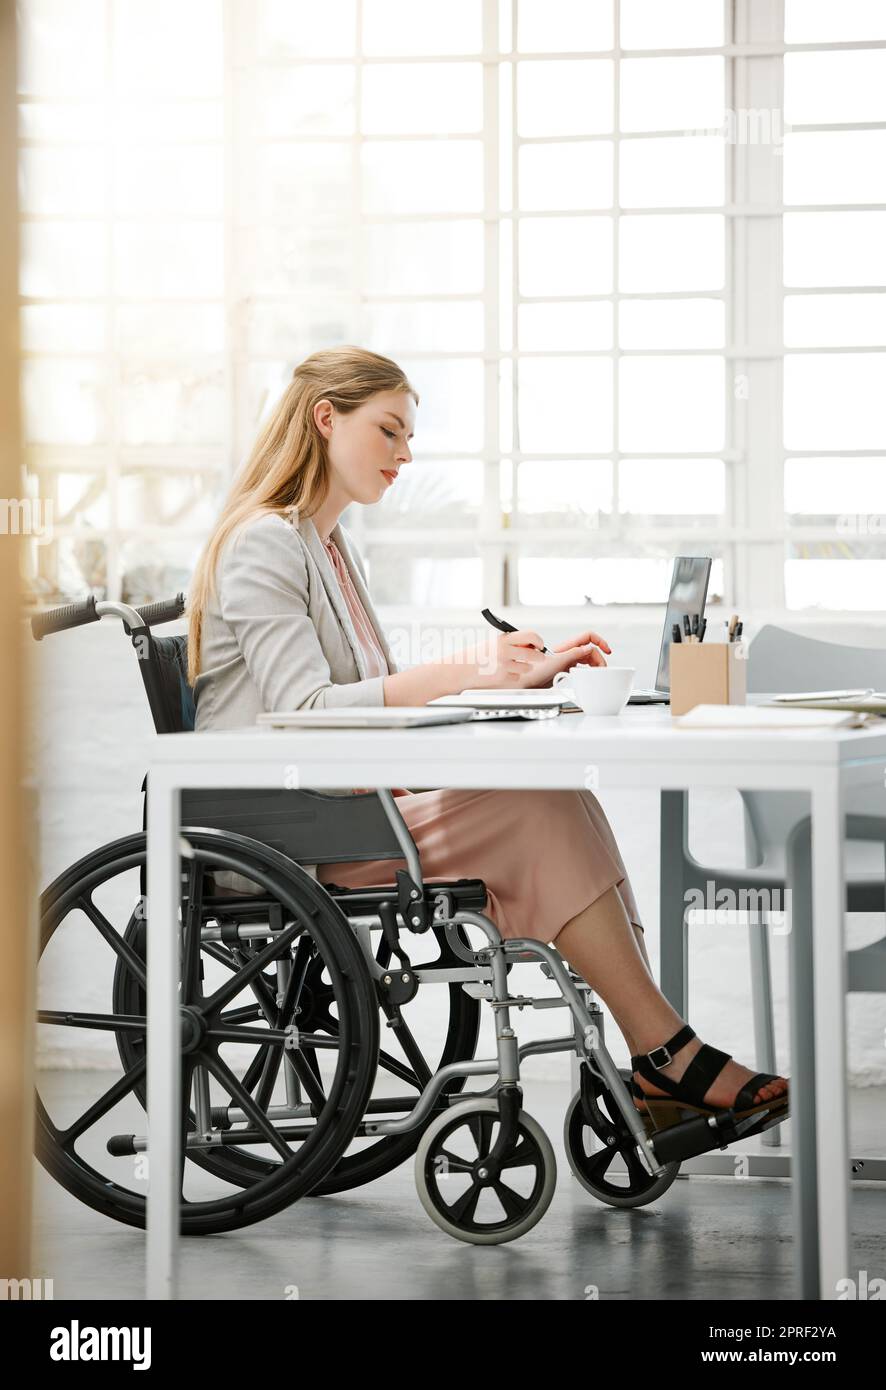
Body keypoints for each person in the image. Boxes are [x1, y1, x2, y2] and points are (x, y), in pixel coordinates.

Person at [187, 345, 789, 1125]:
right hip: (287, 827)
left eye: (410, 438)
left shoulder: (331, 549)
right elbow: (307, 705)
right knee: (542, 810)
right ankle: (663, 1055)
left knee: (555, 797)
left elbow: (372, 703)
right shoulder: (266, 541)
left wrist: (507, 680)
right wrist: (470, 667)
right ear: (325, 418)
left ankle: (655, 1052)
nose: (406, 454)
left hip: (343, 806)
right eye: (390, 431)